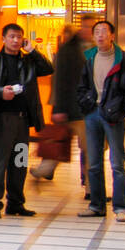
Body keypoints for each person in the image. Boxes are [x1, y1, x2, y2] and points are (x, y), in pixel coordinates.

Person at [0, 23, 54, 220]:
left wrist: (32, 50)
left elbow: (48, 68)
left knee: (20, 163)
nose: (16, 41)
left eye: (19, 37)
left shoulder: (28, 62)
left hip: (22, 121)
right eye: (12, 37)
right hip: (1, 120)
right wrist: (0, 93)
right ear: (4, 39)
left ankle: (16, 203)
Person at [76, 20, 125, 222]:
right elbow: (81, 85)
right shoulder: (89, 58)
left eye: (104, 31)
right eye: (97, 32)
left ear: (112, 35)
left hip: (113, 115)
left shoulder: (124, 59)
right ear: (93, 37)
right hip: (92, 113)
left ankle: (121, 207)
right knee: (93, 162)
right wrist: (85, 103)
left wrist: (121, 110)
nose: (100, 35)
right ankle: (97, 205)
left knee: (117, 163)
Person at [32, 23, 90, 183]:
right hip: (74, 109)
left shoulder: (75, 50)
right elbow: (60, 81)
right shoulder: (69, 51)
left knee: (61, 140)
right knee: (88, 149)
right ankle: (91, 188)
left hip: (72, 108)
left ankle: (44, 170)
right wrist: (58, 107)